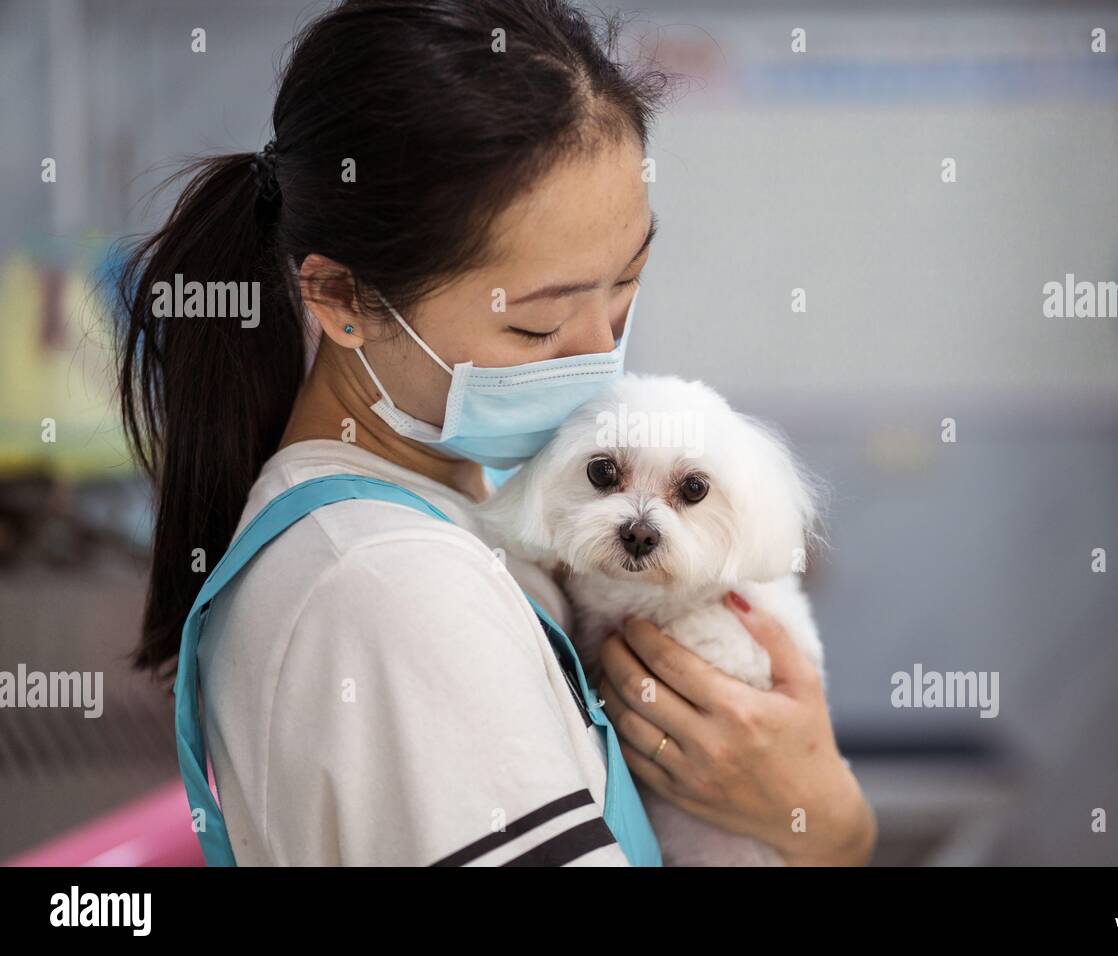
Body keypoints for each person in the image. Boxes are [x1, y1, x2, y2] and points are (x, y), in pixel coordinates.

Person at [116, 0, 876, 867]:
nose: (599, 356)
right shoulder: (398, 586)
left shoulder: (457, 511)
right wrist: (833, 830)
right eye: (538, 328)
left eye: (625, 291)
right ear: (337, 298)